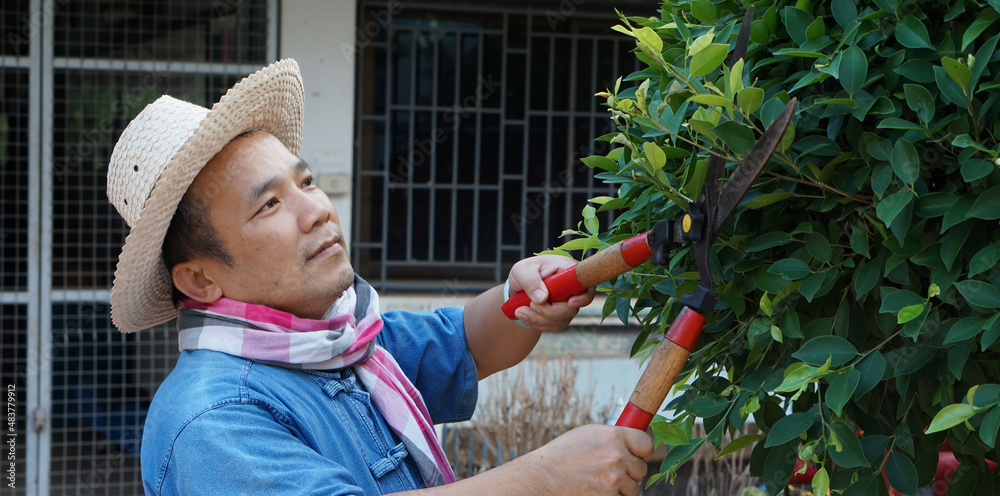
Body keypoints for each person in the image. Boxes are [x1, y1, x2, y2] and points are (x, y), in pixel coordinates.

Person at [106, 59, 652, 496]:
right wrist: (549, 477)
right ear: (199, 280)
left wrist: (525, 292)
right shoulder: (210, 420)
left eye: (307, 181)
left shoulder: (341, 341)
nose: (317, 209)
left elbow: (466, 341)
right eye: (269, 204)